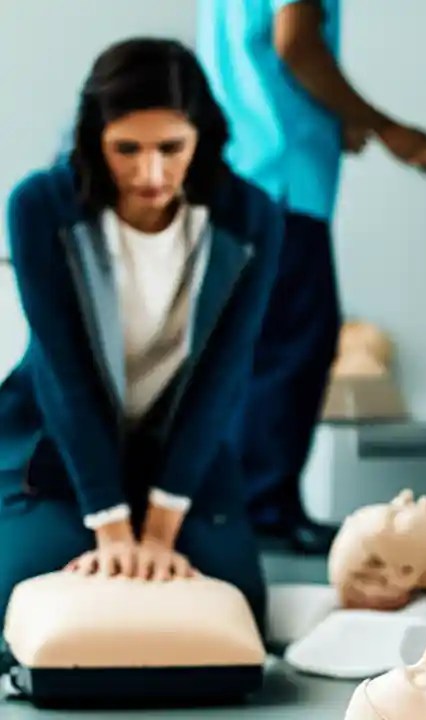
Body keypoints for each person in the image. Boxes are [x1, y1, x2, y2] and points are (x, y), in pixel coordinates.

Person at [0, 39, 283, 639]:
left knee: (236, 608)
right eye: (126, 149)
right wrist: (111, 530)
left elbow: (224, 374)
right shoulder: (38, 207)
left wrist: (156, 535)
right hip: (54, 446)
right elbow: (63, 372)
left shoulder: (252, 218)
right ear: (92, 140)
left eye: (171, 148)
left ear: (201, 136)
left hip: (179, 452)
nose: (150, 173)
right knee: (21, 602)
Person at [196, 0, 426, 554]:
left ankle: (247, 507)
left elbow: (260, 54)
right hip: (279, 175)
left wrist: (339, 117)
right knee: (295, 346)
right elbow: (296, 45)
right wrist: (388, 128)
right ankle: (263, 512)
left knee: (255, 347)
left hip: (240, 164)